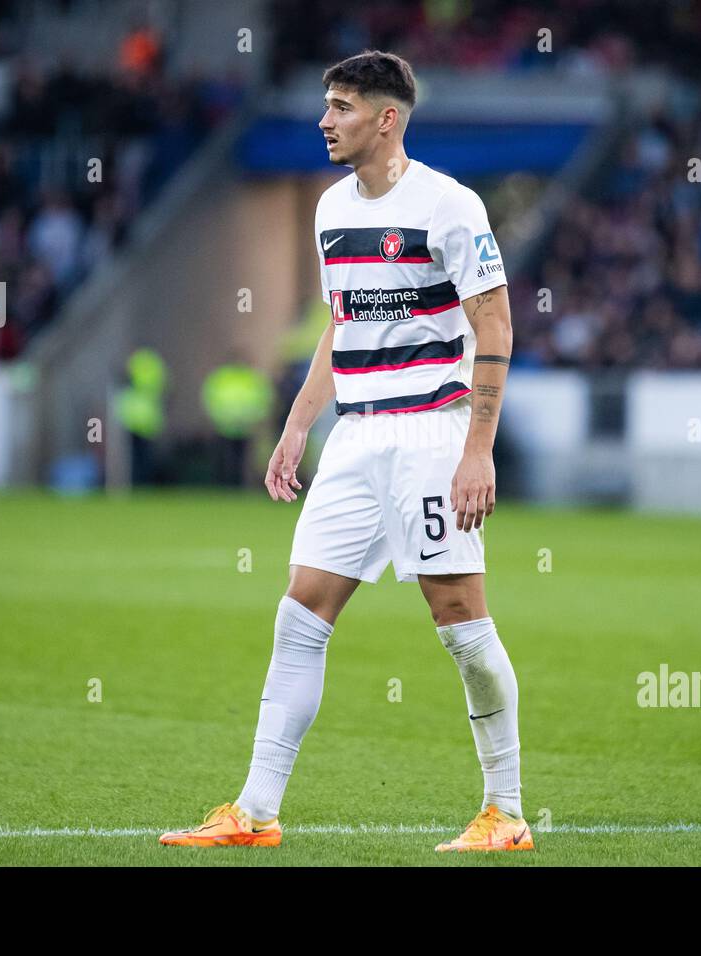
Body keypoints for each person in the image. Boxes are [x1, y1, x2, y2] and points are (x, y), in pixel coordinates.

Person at [160, 51, 531, 852]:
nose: (325, 121)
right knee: (300, 616)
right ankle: (255, 815)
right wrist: (298, 424)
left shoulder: (451, 206)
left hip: (433, 434)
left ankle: (505, 810)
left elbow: (495, 327)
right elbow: (344, 324)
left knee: (461, 623)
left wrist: (478, 451)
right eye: (326, 105)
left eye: (341, 106)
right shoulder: (331, 210)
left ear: (386, 117)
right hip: (356, 439)